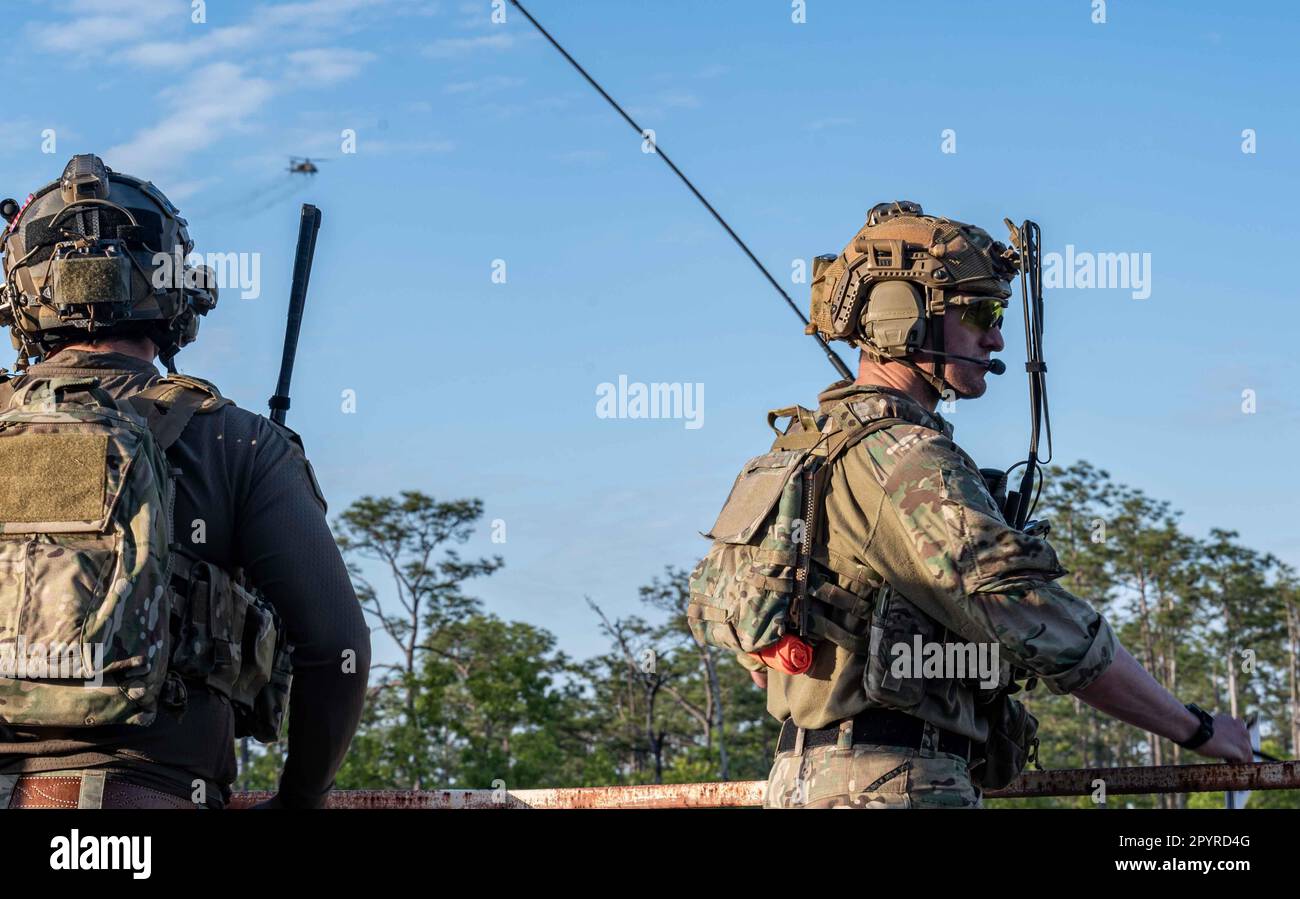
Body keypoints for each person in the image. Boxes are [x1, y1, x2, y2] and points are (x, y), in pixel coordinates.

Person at [692, 201, 1251, 808]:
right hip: (896, 785)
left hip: (801, 783)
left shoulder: (797, 457)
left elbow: (738, 634)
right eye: (981, 311)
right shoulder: (908, 459)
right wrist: (1196, 728)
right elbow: (1033, 619)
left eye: (1001, 311)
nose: (997, 336)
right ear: (904, 320)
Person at [0, 154, 370, 809]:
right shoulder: (238, 440)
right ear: (173, 290)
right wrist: (301, 798)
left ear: (23, 294)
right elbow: (337, 648)